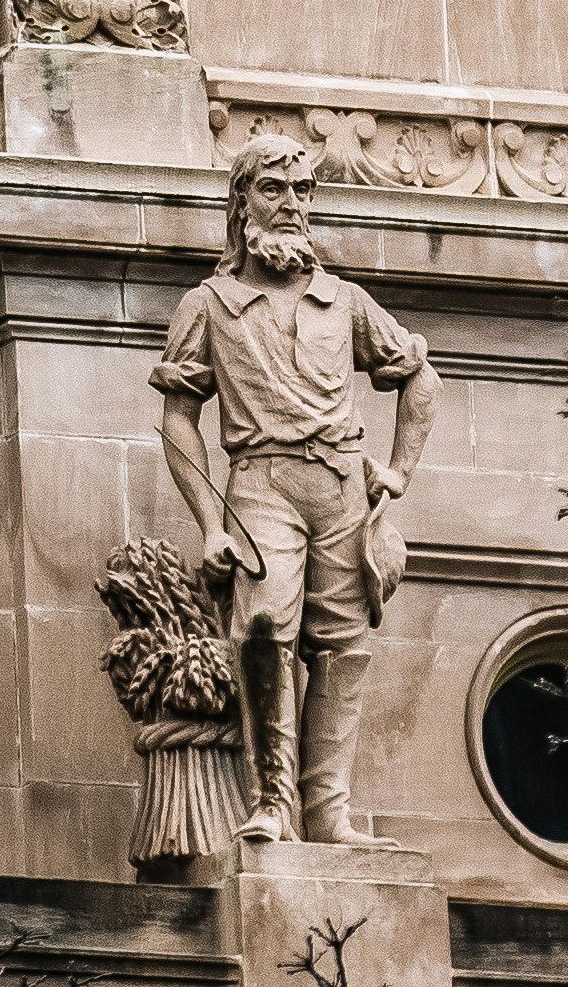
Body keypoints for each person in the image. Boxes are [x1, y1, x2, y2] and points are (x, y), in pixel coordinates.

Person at [154, 131, 439, 844]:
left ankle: (330, 812)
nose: (290, 205)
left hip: (342, 484)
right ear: (242, 200)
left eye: (302, 190)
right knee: (259, 631)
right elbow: (178, 417)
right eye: (274, 189)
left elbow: (419, 377)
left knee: (343, 646)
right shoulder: (209, 302)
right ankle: (273, 798)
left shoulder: (343, 300)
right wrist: (211, 525)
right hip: (259, 483)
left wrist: (398, 470)